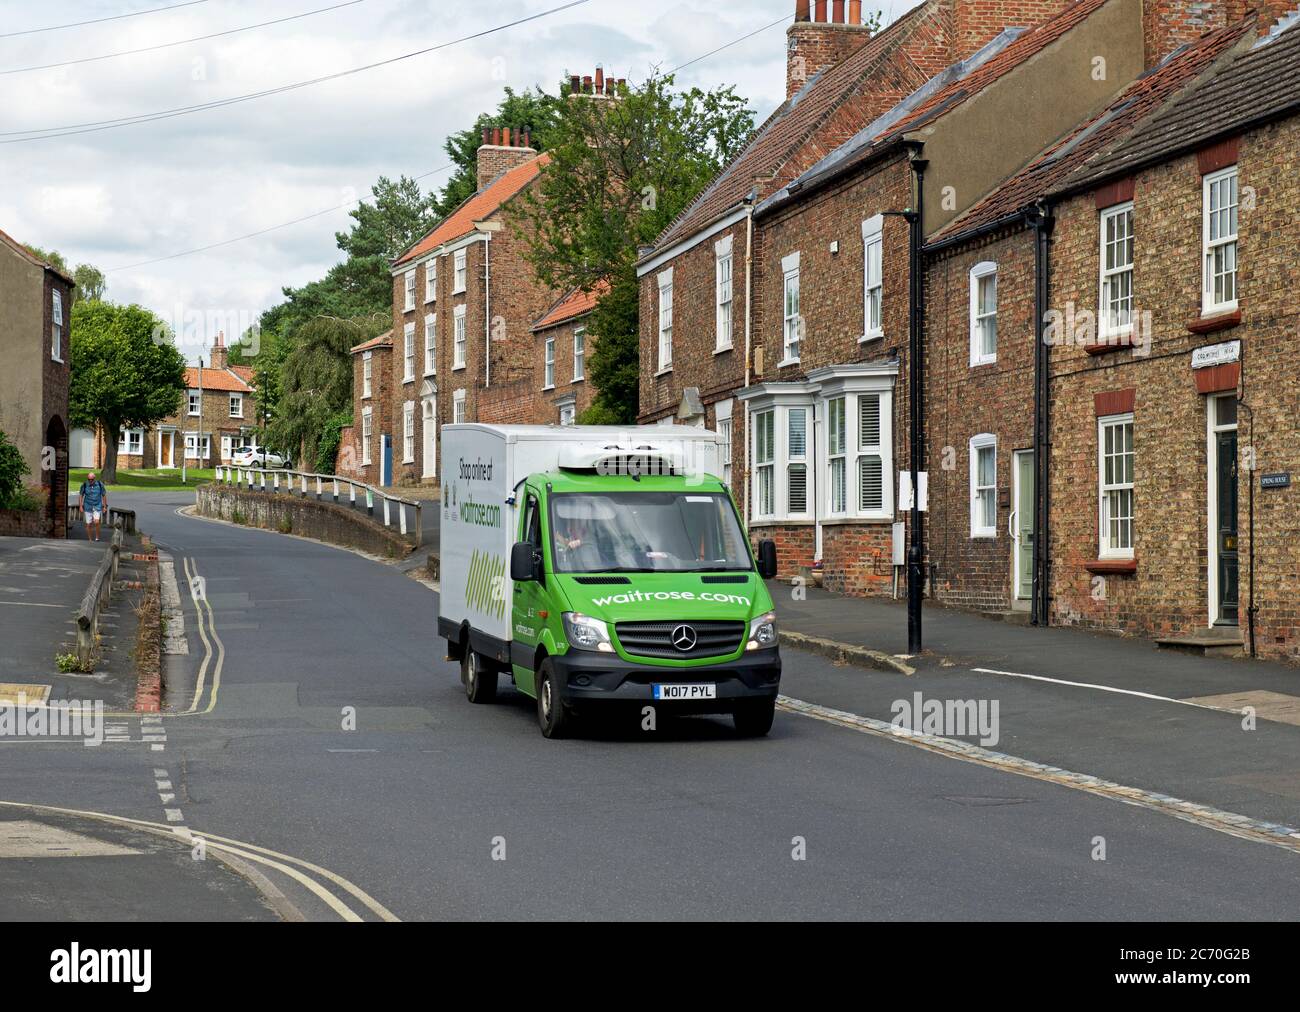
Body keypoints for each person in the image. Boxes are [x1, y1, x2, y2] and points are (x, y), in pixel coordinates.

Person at [78, 471, 108, 542]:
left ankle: (97, 538)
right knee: (89, 524)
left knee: (97, 522)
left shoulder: (100, 484)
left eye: (92, 479)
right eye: (89, 479)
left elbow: (104, 495)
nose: (90, 481)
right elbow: (81, 495)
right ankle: (90, 539)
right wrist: (80, 506)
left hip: (97, 505)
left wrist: (104, 507)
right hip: (88, 506)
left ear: (94, 478)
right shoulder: (85, 485)